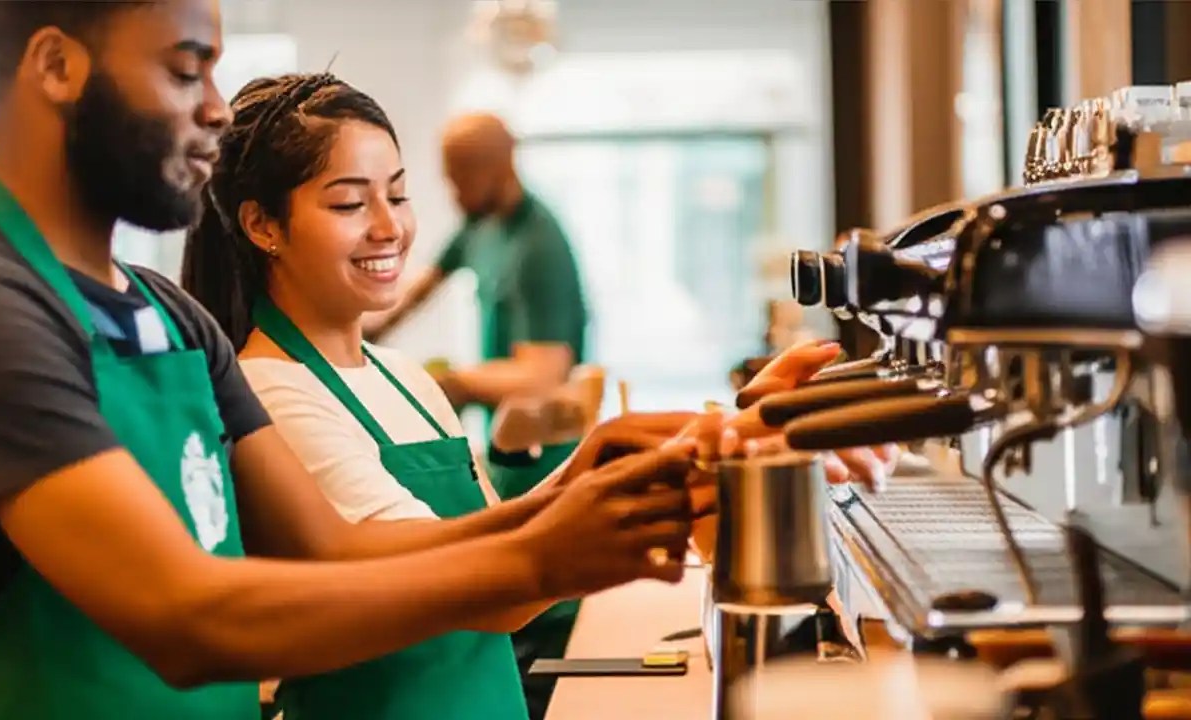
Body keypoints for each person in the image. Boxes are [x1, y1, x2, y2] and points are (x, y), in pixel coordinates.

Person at [0, 4, 710, 718]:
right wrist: (539, 553)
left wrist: (605, 475)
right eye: (186, 70)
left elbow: (336, 554)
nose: (217, 109)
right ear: (55, 66)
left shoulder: (176, 317)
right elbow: (187, 618)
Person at [180, 71, 898, 720]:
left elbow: (512, 549)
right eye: (348, 203)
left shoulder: (402, 375)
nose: (390, 226)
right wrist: (642, 461)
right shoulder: (271, 389)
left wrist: (720, 433)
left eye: (397, 194)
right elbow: (485, 586)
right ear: (262, 225)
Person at [364, 113, 588, 425]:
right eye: (451, 179)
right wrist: (357, 332)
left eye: (464, 180)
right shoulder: (479, 223)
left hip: (544, 451)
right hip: (500, 438)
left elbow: (543, 376)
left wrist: (452, 383)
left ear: (500, 167)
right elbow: (416, 292)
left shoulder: (539, 245)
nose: (454, 193)